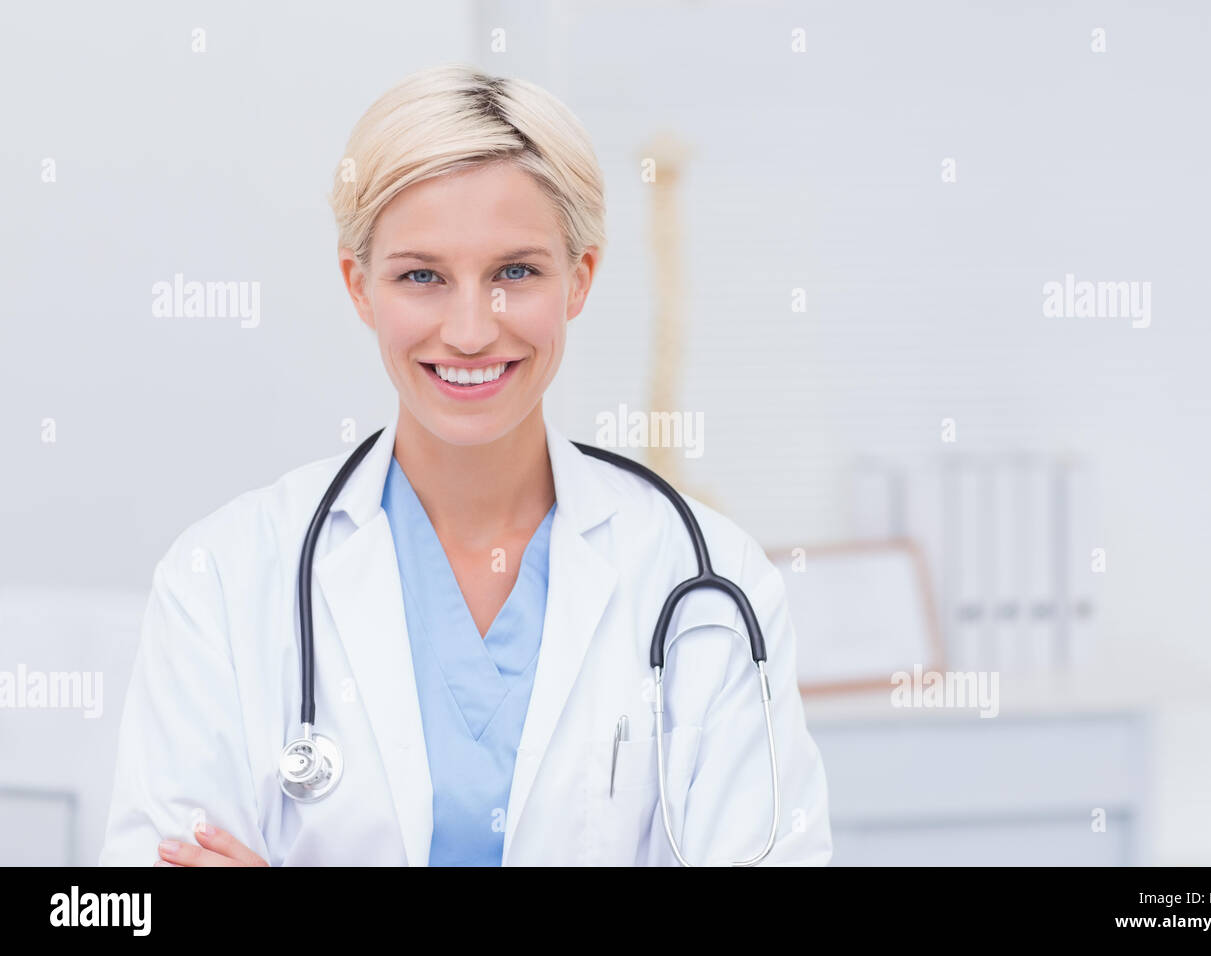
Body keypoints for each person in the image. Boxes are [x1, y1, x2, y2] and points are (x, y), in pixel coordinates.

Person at [99, 64, 832, 866]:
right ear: (360, 287)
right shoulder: (224, 581)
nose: (472, 330)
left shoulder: (712, 587)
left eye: (515, 272)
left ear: (579, 278)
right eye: (422, 276)